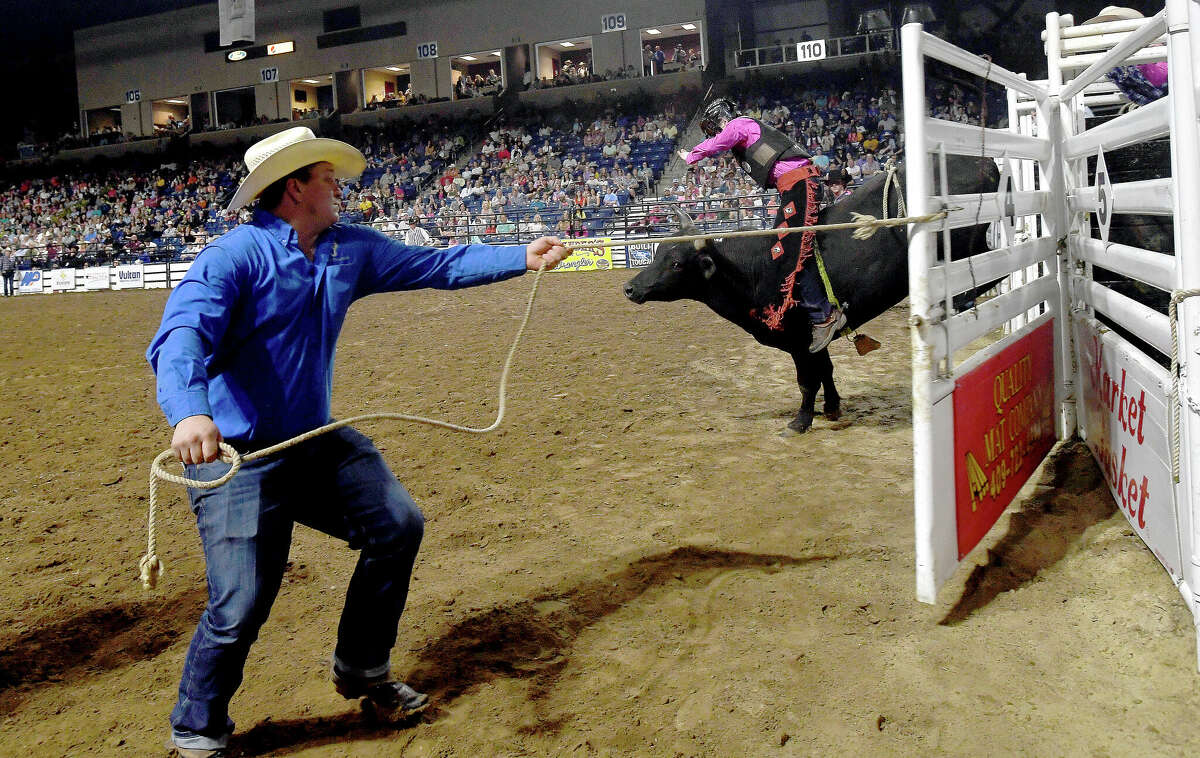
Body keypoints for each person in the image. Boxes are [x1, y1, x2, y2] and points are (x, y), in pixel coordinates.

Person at [145, 126, 568, 758]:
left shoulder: (348, 250)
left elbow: (438, 264)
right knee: (239, 607)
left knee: (397, 525)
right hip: (240, 460)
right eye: (327, 178)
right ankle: (197, 725)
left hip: (315, 445)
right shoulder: (233, 258)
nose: (339, 188)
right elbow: (180, 336)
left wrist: (520, 257)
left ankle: (362, 668)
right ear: (295, 188)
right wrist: (187, 413)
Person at [677, 98, 846, 351]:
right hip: (793, 186)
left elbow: (719, 142)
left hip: (797, 184)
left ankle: (823, 316)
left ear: (722, 117)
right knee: (784, 248)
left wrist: (692, 154)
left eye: (714, 125)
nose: (715, 131)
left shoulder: (739, 124)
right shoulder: (745, 129)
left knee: (789, 250)